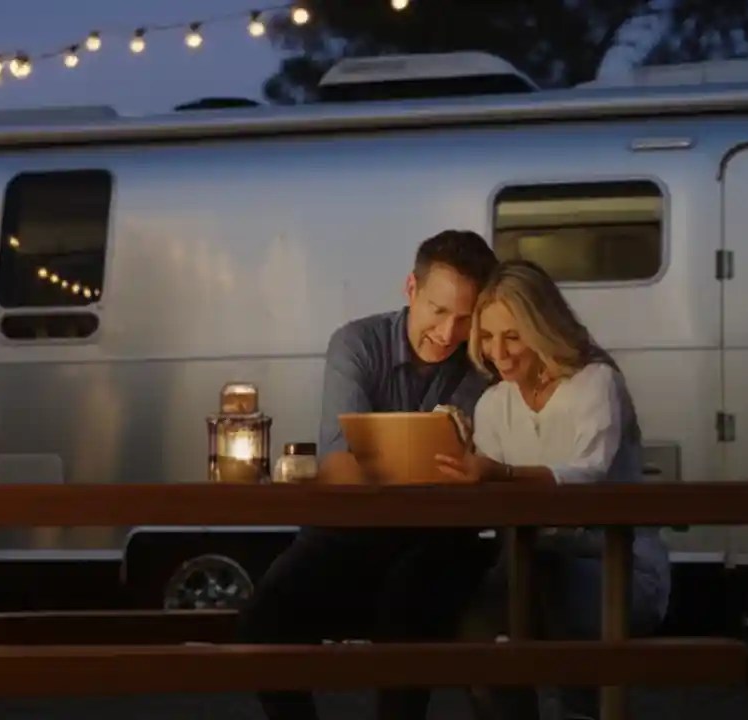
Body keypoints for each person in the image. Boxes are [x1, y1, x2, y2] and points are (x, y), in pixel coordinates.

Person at [236, 229, 501, 720]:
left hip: (438, 534)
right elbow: (339, 465)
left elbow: (461, 467)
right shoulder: (357, 343)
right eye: (439, 311)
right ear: (410, 290)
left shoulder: (484, 362)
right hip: (353, 529)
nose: (448, 333)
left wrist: (382, 460)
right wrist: (426, 458)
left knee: (413, 600)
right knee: (263, 617)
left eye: (465, 319)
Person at [435, 259, 671, 720]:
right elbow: (487, 498)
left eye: (513, 335)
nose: (498, 352)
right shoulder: (493, 404)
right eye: (487, 337)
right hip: (528, 569)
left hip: (615, 569)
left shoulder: (595, 383)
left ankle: (580, 708)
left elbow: (587, 474)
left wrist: (498, 474)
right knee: (480, 639)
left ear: (543, 329)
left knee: (539, 586)